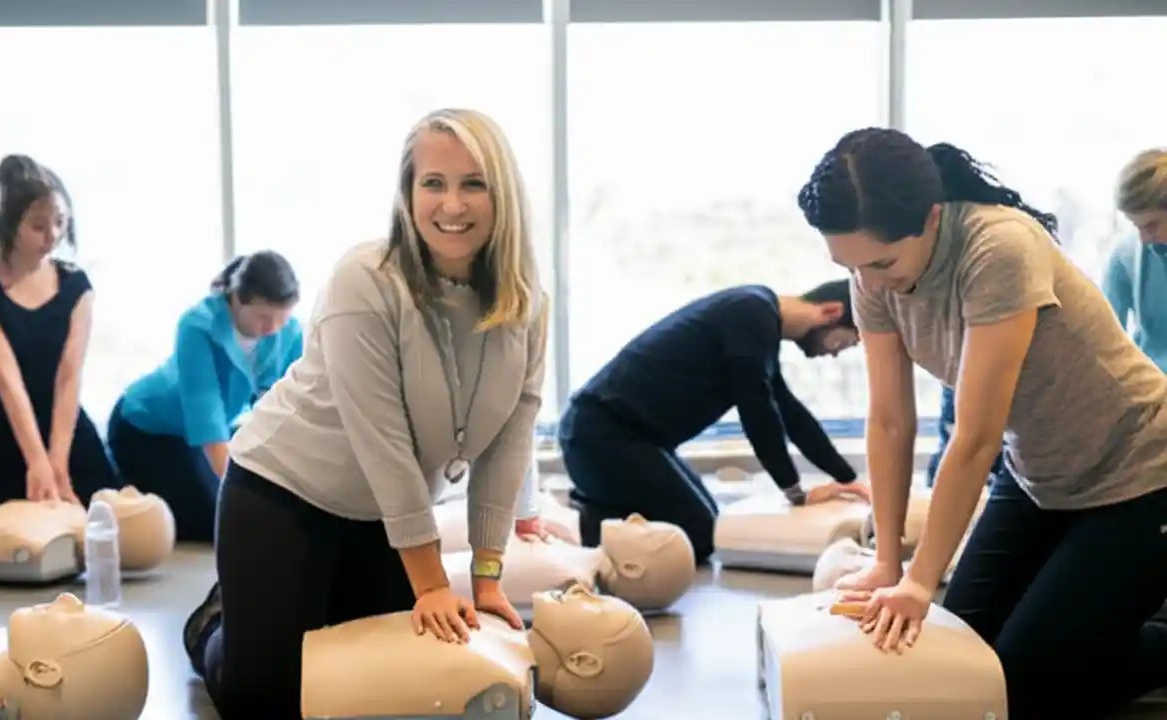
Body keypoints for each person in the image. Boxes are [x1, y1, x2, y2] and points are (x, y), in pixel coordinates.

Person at [180, 108, 548, 720]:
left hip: (380, 517)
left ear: (501, 193)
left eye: (473, 183)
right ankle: (216, 623)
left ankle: (273, 607)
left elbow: (511, 437)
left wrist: (486, 575)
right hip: (284, 491)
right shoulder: (366, 280)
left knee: (369, 685)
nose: (451, 204)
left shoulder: (526, 301)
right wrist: (432, 584)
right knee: (266, 699)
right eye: (433, 182)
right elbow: (382, 440)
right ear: (408, 194)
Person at [798, 127, 1167, 718]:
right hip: (1039, 477)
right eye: (849, 265)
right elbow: (890, 420)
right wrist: (888, 562)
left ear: (932, 218)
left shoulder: (998, 249)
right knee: (965, 656)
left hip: (1143, 473)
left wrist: (921, 581)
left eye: (881, 262)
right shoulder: (871, 274)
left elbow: (974, 437)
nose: (867, 283)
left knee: (1022, 681)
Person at [558, 281, 871, 566]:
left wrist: (847, 478)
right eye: (847, 342)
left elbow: (789, 411)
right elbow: (757, 408)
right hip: (602, 433)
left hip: (627, 437)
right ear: (832, 311)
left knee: (712, 527)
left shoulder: (757, 317)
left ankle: (599, 510)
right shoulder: (751, 311)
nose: (835, 354)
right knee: (701, 534)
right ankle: (577, 524)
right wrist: (795, 492)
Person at [0, 155, 118, 519]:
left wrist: (57, 460)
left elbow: (69, 376)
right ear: (8, 224)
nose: (52, 235)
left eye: (60, 222)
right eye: (38, 225)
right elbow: (7, 378)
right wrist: (37, 462)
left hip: (63, 430)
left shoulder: (75, 285)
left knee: (103, 527)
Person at [107, 251, 303, 542]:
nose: (273, 328)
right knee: (222, 517)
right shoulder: (197, 325)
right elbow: (207, 417)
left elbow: (282, 408)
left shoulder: (289, 331)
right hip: (147, 428)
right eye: (264, 317)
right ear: (238, 299)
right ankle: (130, 481)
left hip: (213, 430)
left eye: (282, 318)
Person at [1102, 147, 1167, 371]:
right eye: (1135, 226)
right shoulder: (1125, 256)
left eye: (1152, 225)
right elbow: (1104, 342)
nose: (1144, 239)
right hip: (1152, 390)